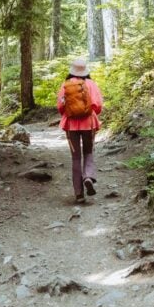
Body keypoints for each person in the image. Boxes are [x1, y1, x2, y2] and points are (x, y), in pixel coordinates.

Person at [56, 58, 104, 203]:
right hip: (89, 123)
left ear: (72, 70)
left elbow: (60, 107)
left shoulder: (66, 85)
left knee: (75, 158)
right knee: (88, 152)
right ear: (85, 70)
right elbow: (98, 105)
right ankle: (88, 176)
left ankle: (78, 194)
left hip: (71, 125)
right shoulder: (91, 84)